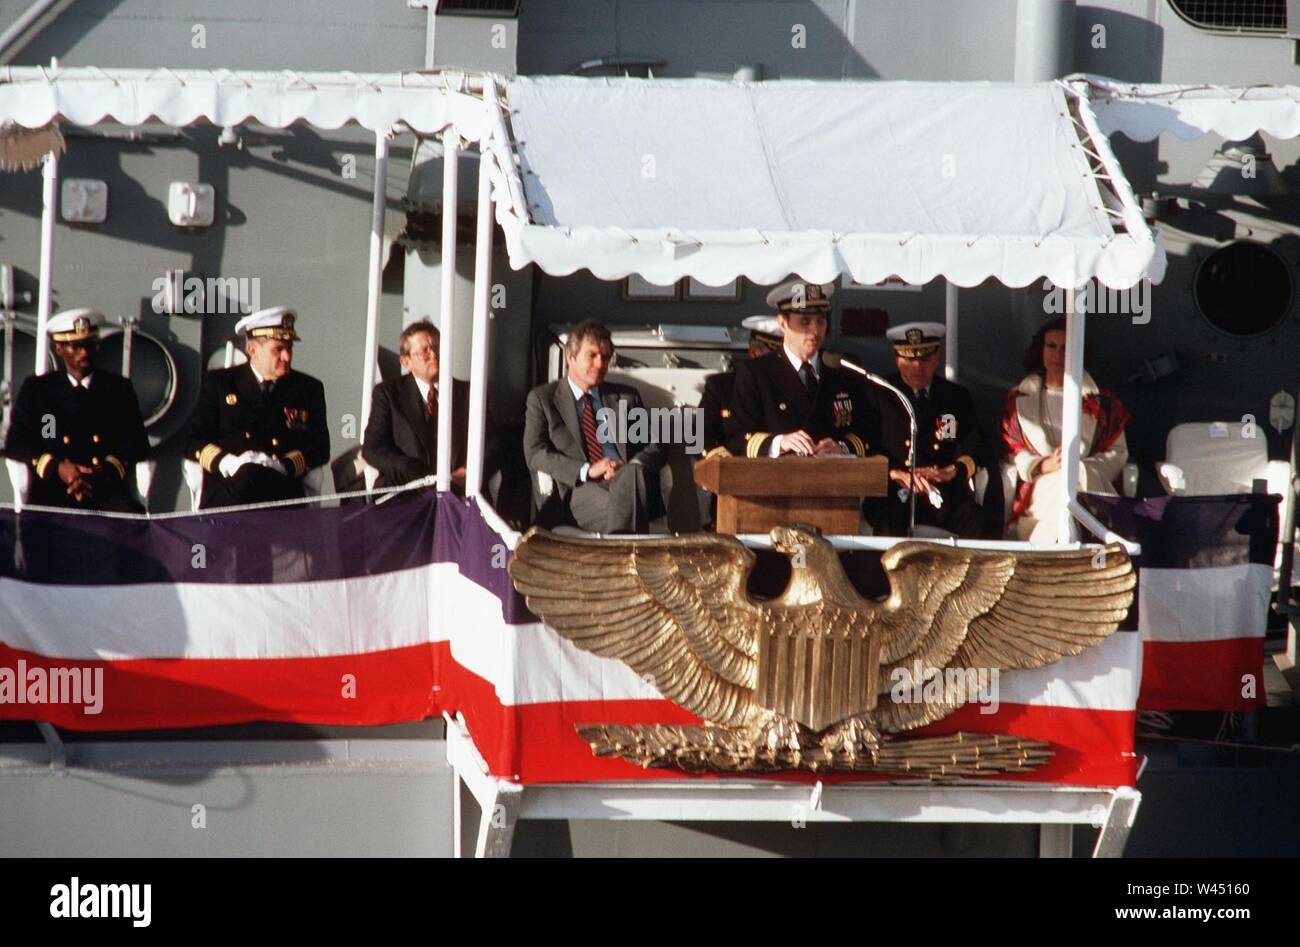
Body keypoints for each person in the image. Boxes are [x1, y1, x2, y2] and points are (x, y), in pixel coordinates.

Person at [523, 320, 667, 534]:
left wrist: (630, 466)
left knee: (631, 480)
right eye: (592, 356)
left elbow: (654, 445)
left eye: (605, 357)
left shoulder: (626, 397)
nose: (600, 364)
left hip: (628, 483)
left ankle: (620, 554)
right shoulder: (543, 399)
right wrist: (587, 470)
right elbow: (535, 453)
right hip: (580, 489)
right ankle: (627, 555)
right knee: (622, 506)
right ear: (571, 358)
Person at [3, 309, 149, 512]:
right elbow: (16, 444)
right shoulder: (39, 390)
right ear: (60, 348)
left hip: (105, 489)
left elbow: (137, 443)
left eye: (89, 344)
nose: (84, 352)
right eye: (76, 346)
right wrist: (58, 467)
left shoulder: (117, 389)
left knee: (132, 523)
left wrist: (102, 471)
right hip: (53, 492)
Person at [186, 307, 330, 509]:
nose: (286, 357)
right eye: (278, 350)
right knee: (248, 475)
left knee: (255, 477)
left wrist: (282, 465)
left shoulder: (307, 388)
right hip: (229, 488)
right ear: (252, 350)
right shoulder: (221, 383)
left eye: (289, 349)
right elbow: (193, 442)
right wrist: (228, 462)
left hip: (279, 488)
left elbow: (320, 447)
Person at [1001, 316, 1130, 542]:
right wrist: (1042, 465)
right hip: (1041, 486)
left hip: (1090, 481)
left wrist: (1078, 467)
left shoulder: (1104, 402)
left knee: (1071, 481)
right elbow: (1012, 452)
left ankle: (1047, 552)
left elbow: (1118, 453)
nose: (1058, 355)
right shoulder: (1019, 400)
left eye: (1066, 348)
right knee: (1062, 485)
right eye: (1051, 346)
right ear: (1041, 351)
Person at [864, 322, 991, 538]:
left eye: (925, 359)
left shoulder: (954, 396)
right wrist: (894, 473)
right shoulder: (879, 394)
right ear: (897, 359)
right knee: (887, 524)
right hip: (895, 489)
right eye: (909, 360)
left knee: (975, 518)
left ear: (937, 357)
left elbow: (978, 444)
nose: (917, 367)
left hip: (941, 488)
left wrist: (953, 471)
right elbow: (866, 445)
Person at [724, 279, 874, 460]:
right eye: (804, 322)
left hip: (834, 480)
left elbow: (869, 428)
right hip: (778, 481)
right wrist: (779, 443)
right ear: (782, 324)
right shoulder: (756, 373)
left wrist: (842, 447)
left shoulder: (842, 367)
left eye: (821, 321)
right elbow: (737, 437)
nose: (815, 331)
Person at [362, 320, 471, 492]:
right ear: (406, 362)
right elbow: (372, 448)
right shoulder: (388, 394)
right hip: (405, 492)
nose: (434, 355)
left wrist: (468, 469)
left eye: (436, 347)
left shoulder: (467, 393)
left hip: (459, 492)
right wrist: (410, 470)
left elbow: (491, 442)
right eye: (425, 351)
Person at [698, 315, 783, 453]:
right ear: (754, 352)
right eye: (776, 355)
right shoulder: (721, 388)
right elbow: (700, 435)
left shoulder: (795, 387)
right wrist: (718, 457)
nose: (782, 361)